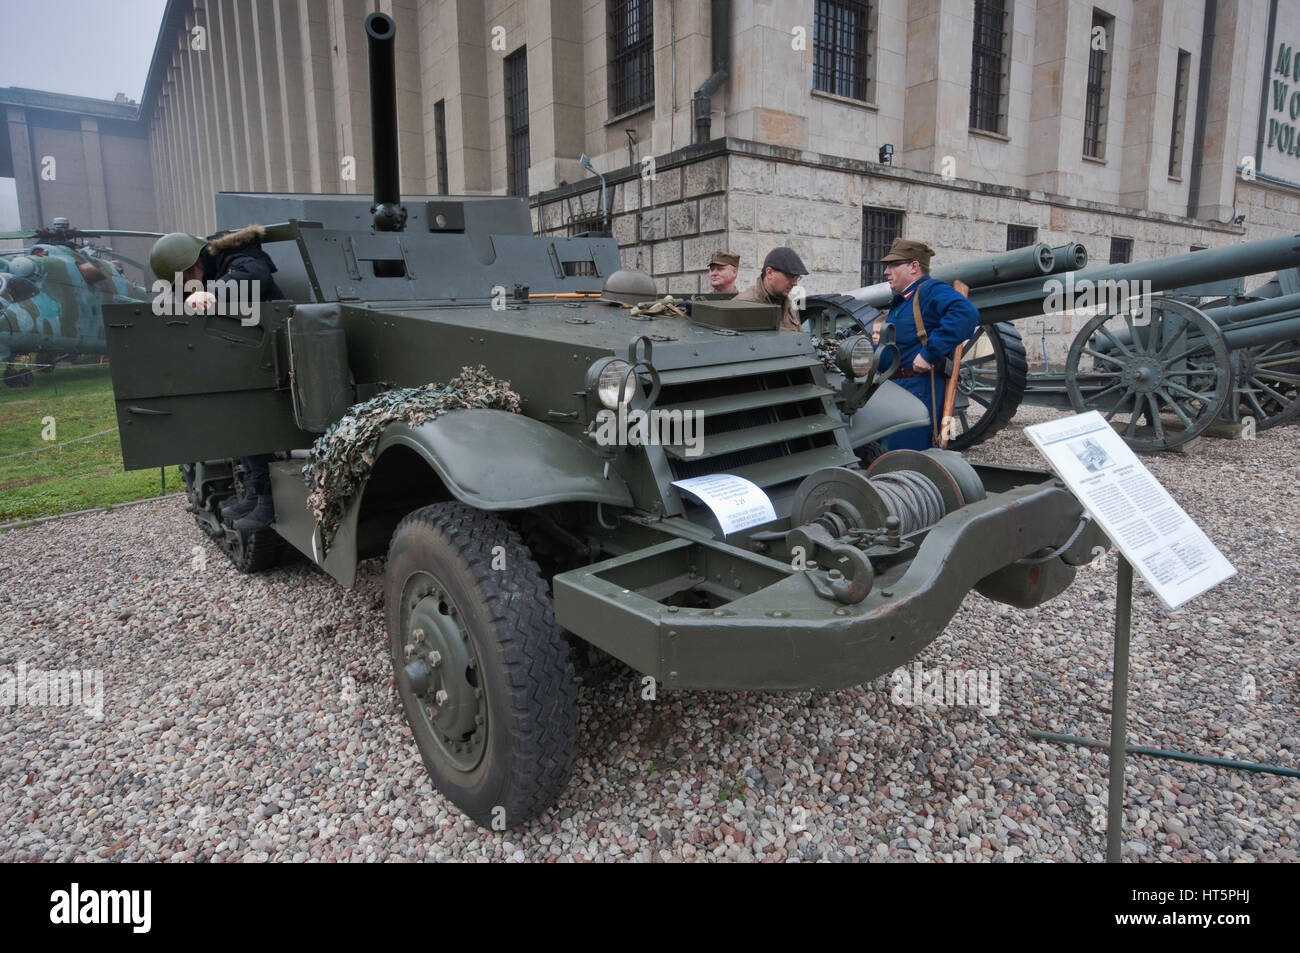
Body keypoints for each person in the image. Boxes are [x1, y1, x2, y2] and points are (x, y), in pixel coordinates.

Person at [149, 226, 284, 532]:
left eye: (183, 278)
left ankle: (267, 500)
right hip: (239, 356)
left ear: (191, 264)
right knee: (235, 423)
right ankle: (254, 492)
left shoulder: (237, 255)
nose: (184, 287)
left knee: (252, 425)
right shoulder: (205, 271)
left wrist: (212, 292)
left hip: (270, 354)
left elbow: (253, 277)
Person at [876, 238, 979, 451]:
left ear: (914, 267)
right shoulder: (905, 299)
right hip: (897, 391)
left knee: (907, 458)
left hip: (917, 391)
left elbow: (965, 313)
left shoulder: (928, 290)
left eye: (893, 265)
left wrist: (929, 353)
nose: (887, 271)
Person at [735, 246, 807, 332]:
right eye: (790, 276)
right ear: (769, 273)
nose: (795, 283)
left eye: (797, 277)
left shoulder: (790, 305)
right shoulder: (743, 305)